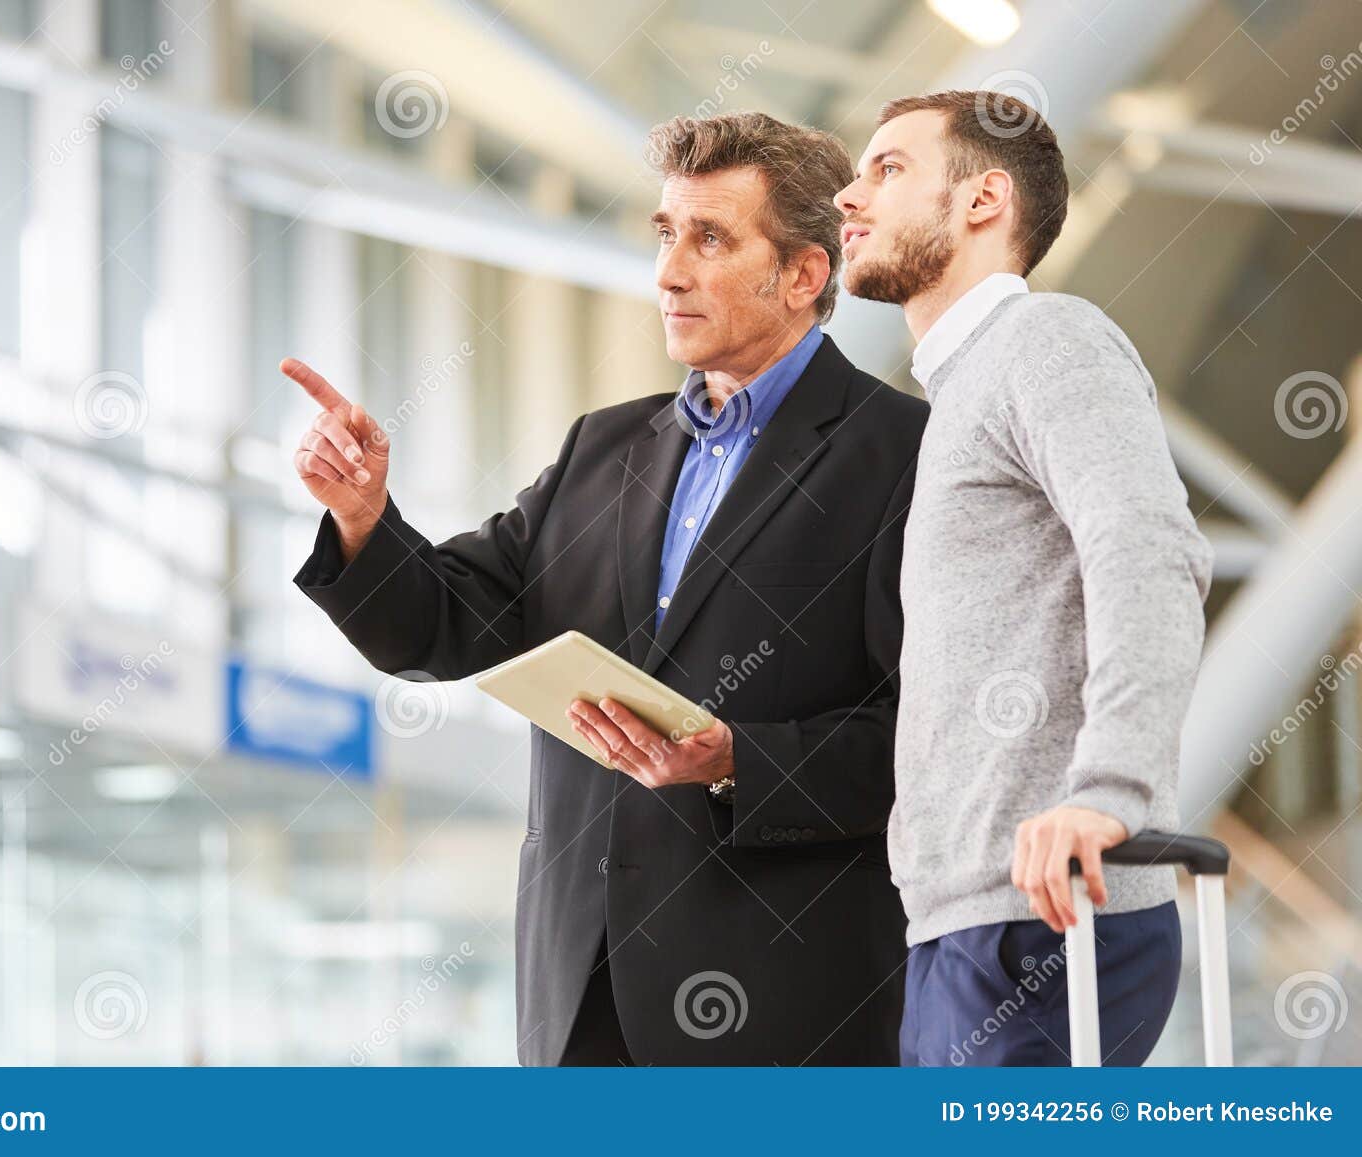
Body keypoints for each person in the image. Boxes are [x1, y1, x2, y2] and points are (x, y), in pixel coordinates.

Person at [291, 112, 927, 1065]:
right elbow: (450, 623)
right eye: (666, 234)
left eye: (711, 238)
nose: (669, 271)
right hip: (578, 993)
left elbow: (929, 743)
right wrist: (364, 517)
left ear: (805, 273)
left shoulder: (903, 456)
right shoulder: (603, 449)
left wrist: (735, 760)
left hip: (788, 1011)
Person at [835, 90, 1214, 1066]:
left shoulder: (1046, 342)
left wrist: (1110, 788)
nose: (848, 195)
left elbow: (1149, 549)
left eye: (888, 169)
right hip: (960, 924)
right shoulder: (961, 392)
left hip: (1043, 918)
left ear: (982, 200)